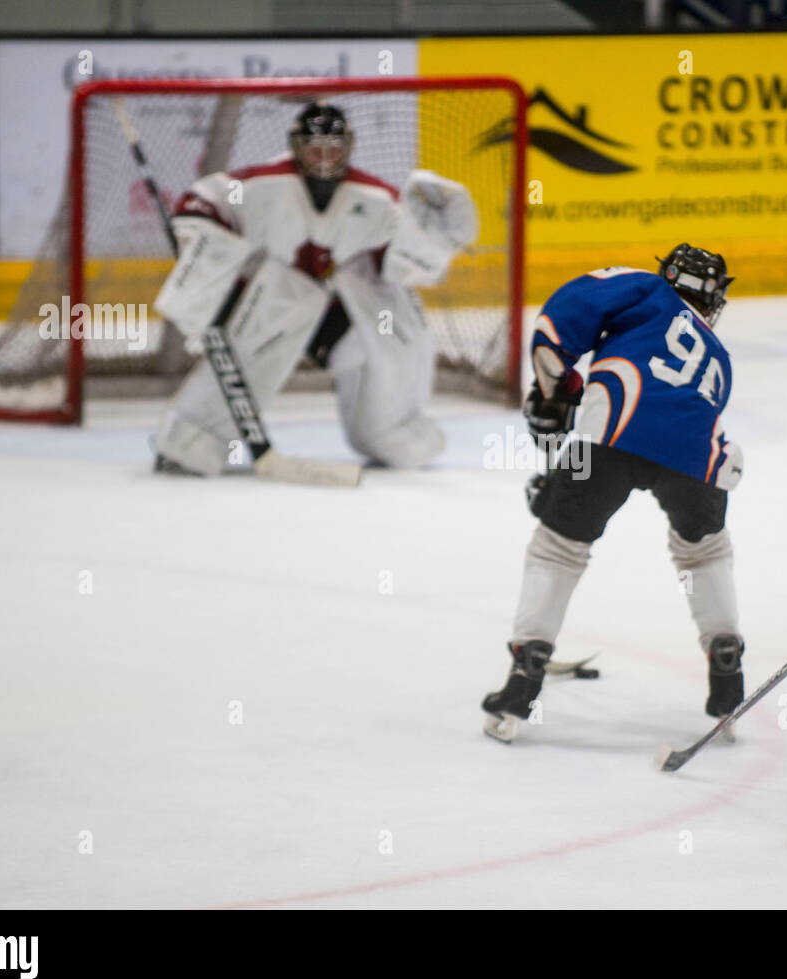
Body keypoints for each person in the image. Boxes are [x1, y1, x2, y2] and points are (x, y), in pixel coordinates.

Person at [481, 244, 746, 742]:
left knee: (558, 547)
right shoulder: (719, 357)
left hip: (609, 437)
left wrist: (556, 387)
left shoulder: (644, 288)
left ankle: (527, 668)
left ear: (668, 276)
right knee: (704, 549)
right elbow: (685, 411)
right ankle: (725, 654)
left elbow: (557, 324)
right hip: (696, 457)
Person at [150, 102, 478, 475]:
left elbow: (401, 264)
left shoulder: (376, 199)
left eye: (334, 150)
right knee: (261, 335)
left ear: (349, 148)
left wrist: (430, 242)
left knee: (391, 341)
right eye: (314, 150)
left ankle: (389, 432)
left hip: (337, 311)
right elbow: (205, 201)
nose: (324, 160)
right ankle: (192, 437)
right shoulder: (262, 184)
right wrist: (199, 235)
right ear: (296, 147)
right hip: (267, 307)